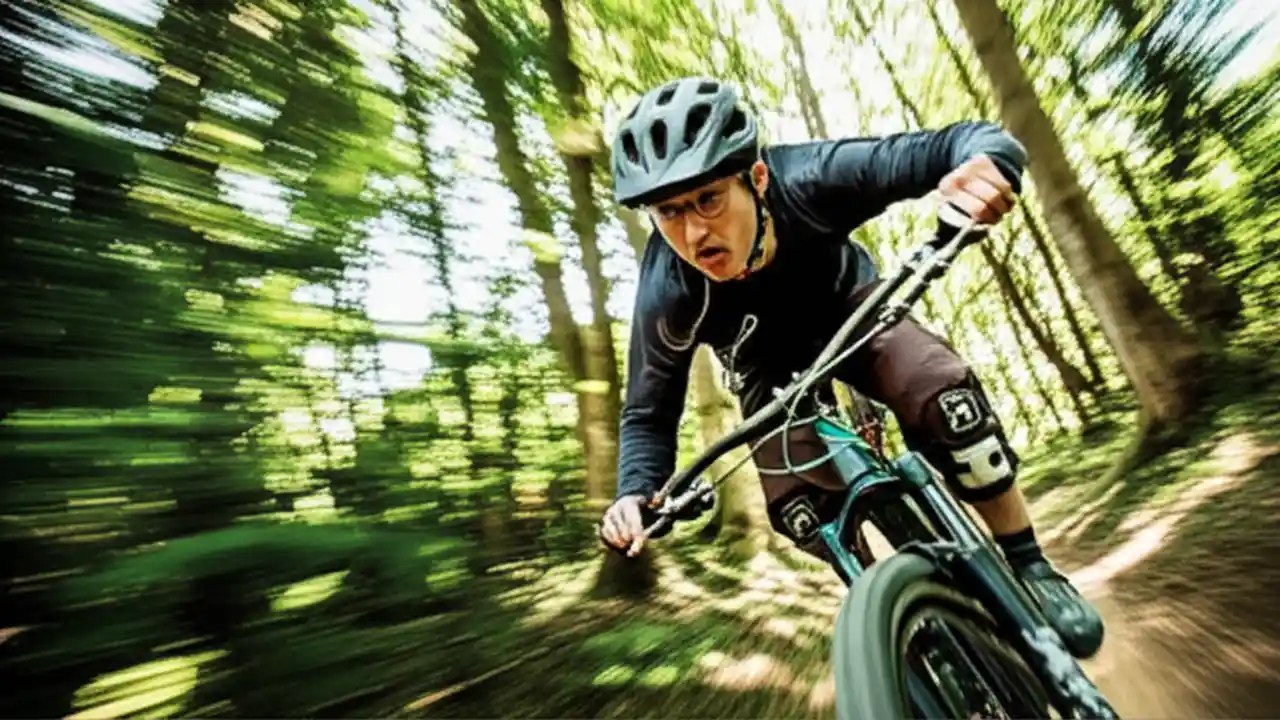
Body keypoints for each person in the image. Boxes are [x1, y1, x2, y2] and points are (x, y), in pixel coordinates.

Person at [596, 76, 1105, 659]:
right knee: (800, 510)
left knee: (944, 398)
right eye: (668, 211)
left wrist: (988, 164)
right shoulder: (666, 289)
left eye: (709, 199)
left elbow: (955, 145)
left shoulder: (811, 178)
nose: (692, 232)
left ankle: (1030, 564)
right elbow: (648, 411)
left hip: (850, 312)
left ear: (757, 179)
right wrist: (634, 493)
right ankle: (897, 626)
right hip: (764, 369)